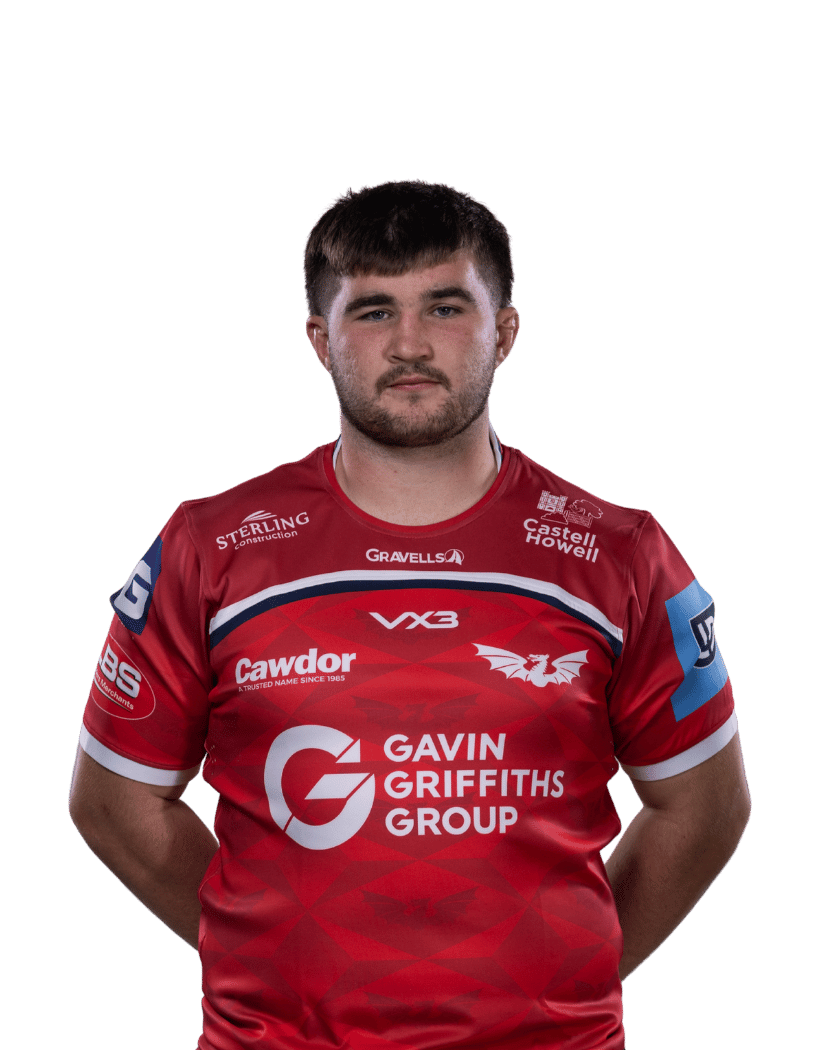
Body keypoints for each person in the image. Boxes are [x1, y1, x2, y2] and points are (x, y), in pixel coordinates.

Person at [68, 180, 751, 1050]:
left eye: (445, 306)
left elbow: (702, 808)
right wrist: (257, 954)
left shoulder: (620, 552)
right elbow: (115, 799)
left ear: (504, 331)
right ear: (320, 341)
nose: (410, 344)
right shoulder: (211, 544)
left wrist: (570, 975)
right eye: (373, 312)